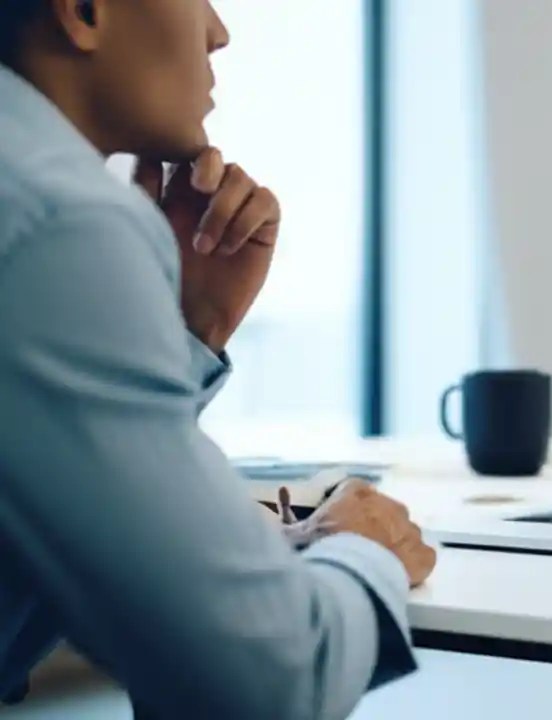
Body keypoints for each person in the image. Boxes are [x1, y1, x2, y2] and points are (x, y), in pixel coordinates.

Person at [0, 1, 437, 717]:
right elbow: (267, 680)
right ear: (81, 11)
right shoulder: (57, 218)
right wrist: (362, 551)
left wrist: (188, 327)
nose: (218, 31)